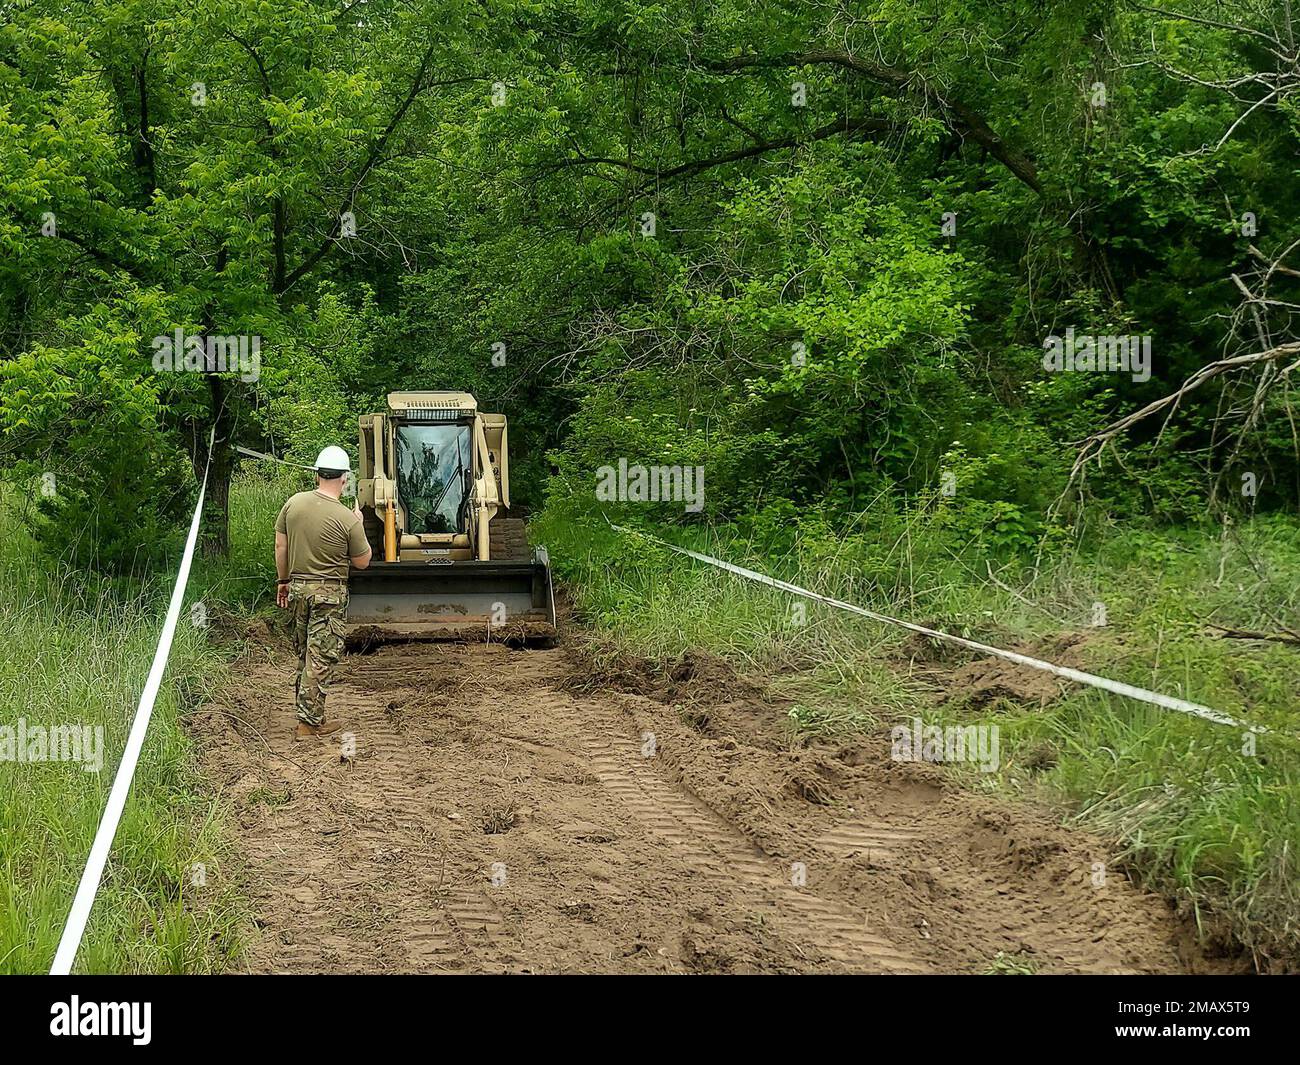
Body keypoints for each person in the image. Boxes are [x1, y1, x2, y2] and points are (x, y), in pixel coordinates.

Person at [274, 446, 372, 739]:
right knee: (321, 658)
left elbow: (281, 546)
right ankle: (308, 723)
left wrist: (283, 581)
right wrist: (360, 524)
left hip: (298, 589)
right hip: (328, 595)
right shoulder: (347, 518)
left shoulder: (293, 504)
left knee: (305, 654)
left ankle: (307, 713)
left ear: (318, 474)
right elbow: (363, 562)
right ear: (344, 479)